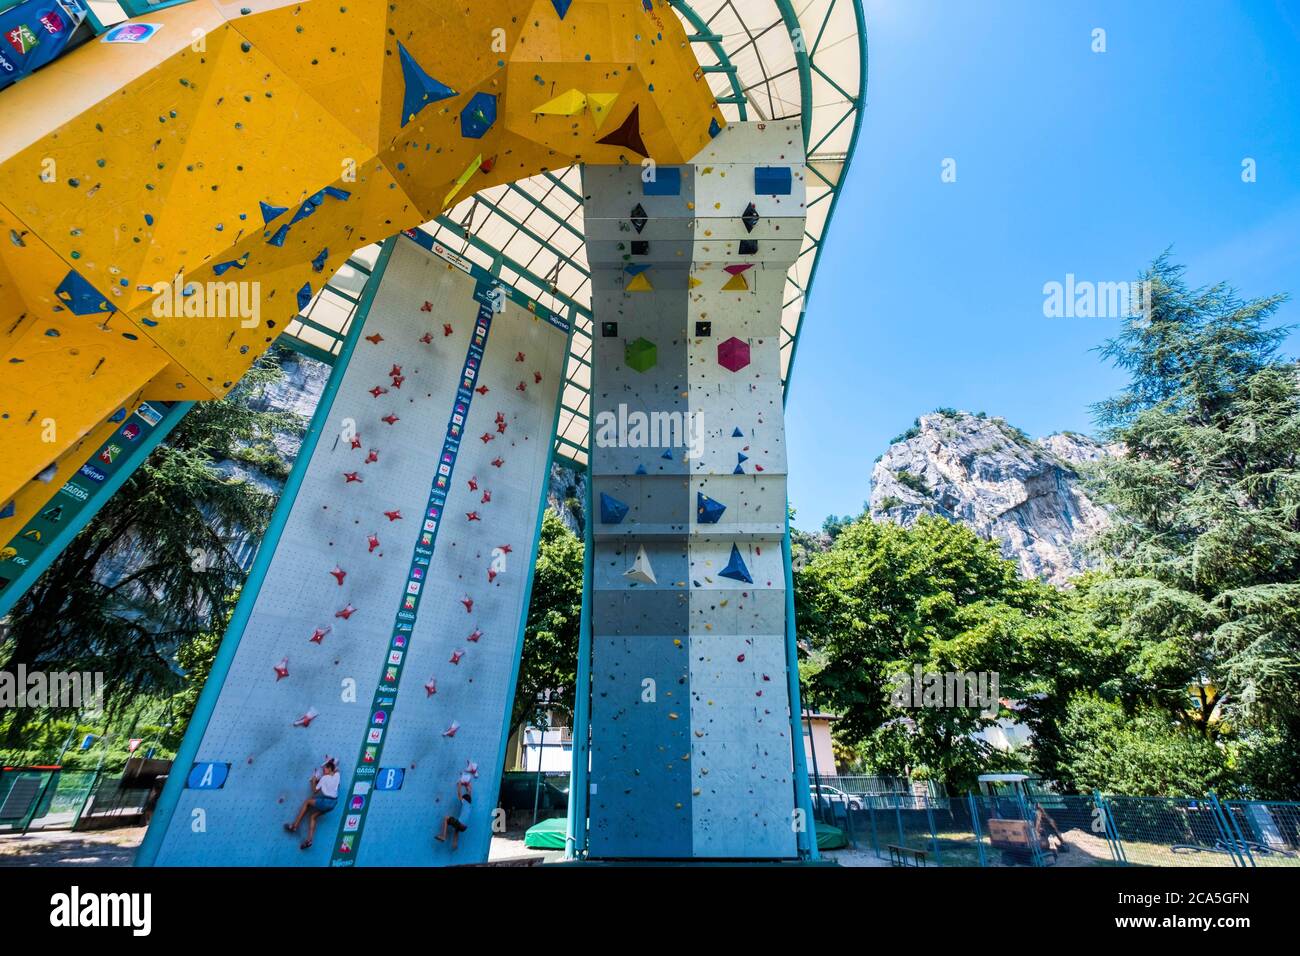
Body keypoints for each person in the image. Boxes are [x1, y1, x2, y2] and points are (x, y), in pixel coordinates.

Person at [284, 757, 340, 850]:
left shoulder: (324, 778)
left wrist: (313, 781)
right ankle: (309, 840)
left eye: (325, 768)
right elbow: (336, 769)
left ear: (330, 768)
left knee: (307, 802)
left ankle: (294, 826)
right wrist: (330, 761)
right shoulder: (337, 776)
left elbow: (314, 790)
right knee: (313, 816)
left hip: (326, 802)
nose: (323, 770)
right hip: (333, 804)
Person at [435, 777, 473, 850]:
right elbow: (470, 793)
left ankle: (443, 836)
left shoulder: (464, 802)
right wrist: (468, 786)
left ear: (464, 799)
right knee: (457, 829)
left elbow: (459, 794)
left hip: (460, 823)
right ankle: (455, 844)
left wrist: (459, 785)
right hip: (464, 827)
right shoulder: (470, 805)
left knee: (446, 818)